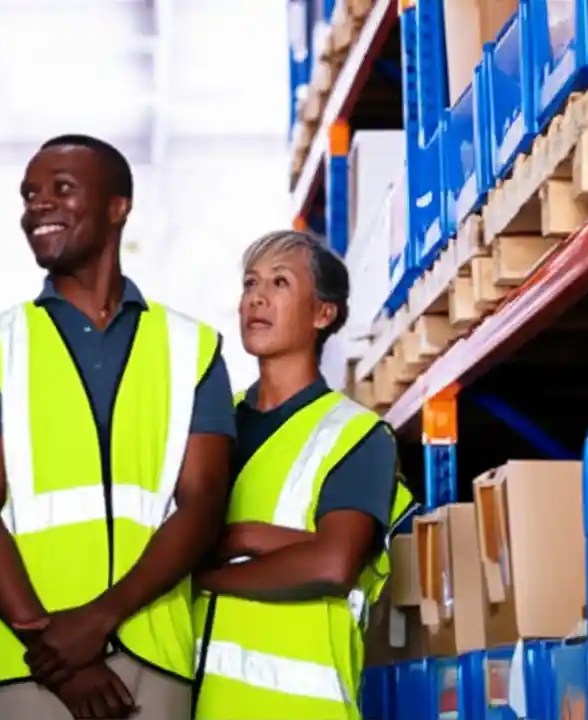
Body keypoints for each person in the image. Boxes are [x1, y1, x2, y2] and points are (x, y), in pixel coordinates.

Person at [0, 135, 236, 719]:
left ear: (118, 206)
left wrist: (99, 618)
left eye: (62, 189)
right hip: (37, 663)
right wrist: (54, 649)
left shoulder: (192, 348)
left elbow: (203, 505)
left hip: (155, 654)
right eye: (29, 195)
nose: (38, 206)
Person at [190, 230, 417, 720]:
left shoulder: (355, 436)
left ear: (323, 313)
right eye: (250, 283)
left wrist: (210, 569)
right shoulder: (214, 427)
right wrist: (273, 540)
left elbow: (332, 563)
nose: (256, 297)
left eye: (279, 283)